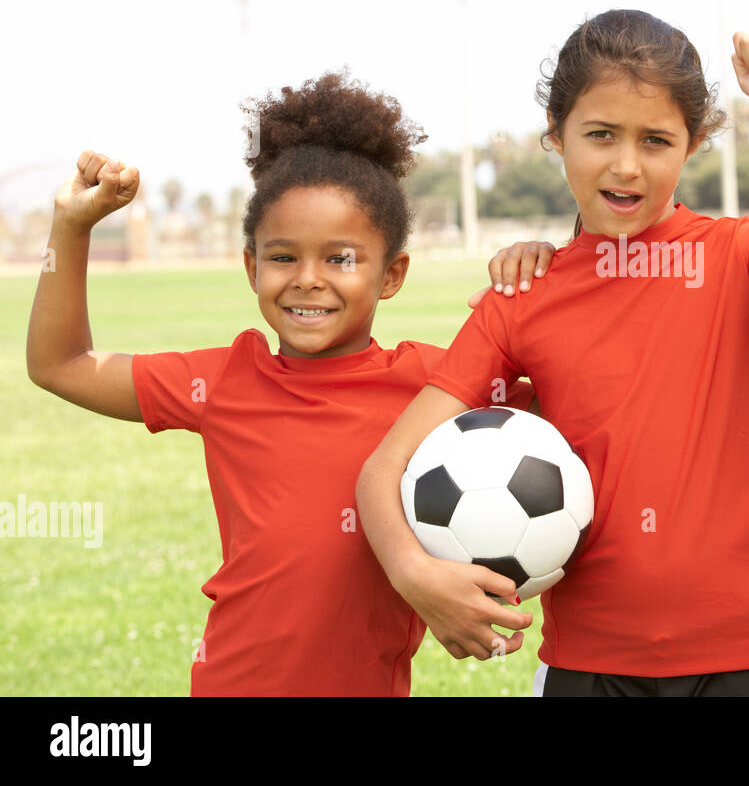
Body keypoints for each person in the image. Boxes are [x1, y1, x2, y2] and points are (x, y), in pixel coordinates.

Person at [355, 9, 749, 695]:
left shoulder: (742, 254)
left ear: (693, 143)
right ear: (556, 135)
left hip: (742, 661)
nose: (626, 165)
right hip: (586, 670)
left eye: (657, 140)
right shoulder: (523, 295)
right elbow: (385, 471)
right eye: (600, 134)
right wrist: (415, 576)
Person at [25, 71, 542, 695]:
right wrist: (72, 227)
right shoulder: (220, 381)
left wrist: (537, 282)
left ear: (392, 273)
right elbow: (61, 363)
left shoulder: (437, 384)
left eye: (340, 258)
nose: (308, 278)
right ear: (251, 266)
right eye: (283, 256)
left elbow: (566, 393)